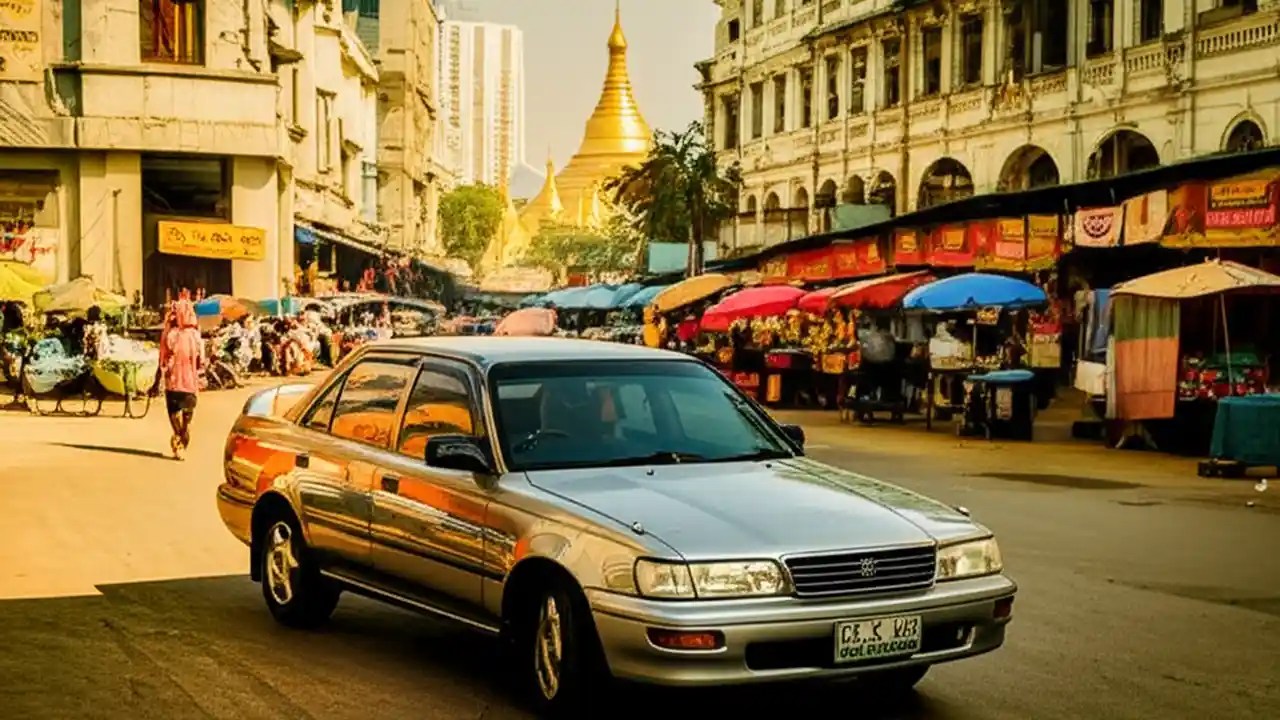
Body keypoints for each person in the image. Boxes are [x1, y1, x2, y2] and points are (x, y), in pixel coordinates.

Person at [159, 298, 205, 460]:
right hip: (191, 384)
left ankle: (179, 438)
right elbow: (202, 361)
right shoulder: (196, 337)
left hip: (173, 382)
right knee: (187, 416)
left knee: (173, 414)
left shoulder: (171, 335)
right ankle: (182, 437)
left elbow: (163, 358)